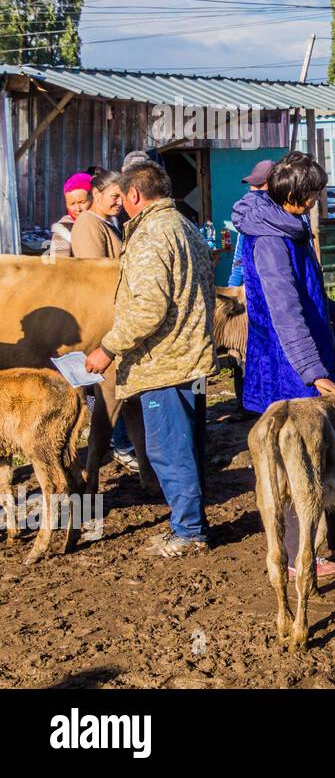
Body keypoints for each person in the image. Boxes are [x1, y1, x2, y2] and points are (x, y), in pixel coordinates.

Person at [233, 151, 335, 578]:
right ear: (297, 195)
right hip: (287, 366)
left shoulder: (290, 225)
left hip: (310, 352)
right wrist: (315, 373)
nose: (317, 202)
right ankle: (295, 558)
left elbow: (303, 295)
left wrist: (331, 310)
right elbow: (285, 311)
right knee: (298, 462)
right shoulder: (271, 239)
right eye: (314, 195)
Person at [84, 161, 216, 557]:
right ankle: (192, 523)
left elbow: (148, 307)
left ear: (135, 195)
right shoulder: (185, 227)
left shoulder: (151, 234)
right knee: (187, 447)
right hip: (189, 357)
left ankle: (189, 532)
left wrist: (108, 348)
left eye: (122, 197)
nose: (121, 205)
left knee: (168, 450)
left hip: (163, 362)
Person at [71, 169, 140, 475]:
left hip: (114, 321)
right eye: (114, 196)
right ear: (96, 195)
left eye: (121, 196)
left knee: (123, 394)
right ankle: (106, 455)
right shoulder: (88, 224)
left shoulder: (107, 223)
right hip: (103, 323)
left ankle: (133, 457)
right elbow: (95, 277)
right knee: (111, 392)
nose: (119, 202)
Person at [226, 159, 274, 289]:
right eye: (252, 185)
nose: (253, 190)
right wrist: (232, 289)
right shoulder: (246, 219)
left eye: (259, 185)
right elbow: (239, 259)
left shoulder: (281, 220)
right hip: (251, 291)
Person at [50, 173, 93, 258]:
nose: (78, 209)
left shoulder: (103, 222)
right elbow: (59, 265)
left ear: (93, 198)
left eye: (82, 202)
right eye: (72, 204)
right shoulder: (64, 230)